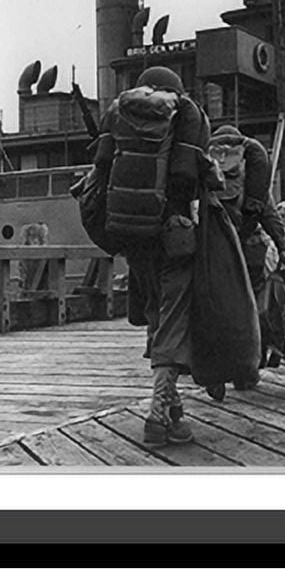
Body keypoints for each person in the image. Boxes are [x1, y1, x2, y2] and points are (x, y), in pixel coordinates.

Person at [93, 66, 213, 444]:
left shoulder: (119, 112)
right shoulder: (187, 114)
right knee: (174, 322)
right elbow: (188, 178)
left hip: (132, 235)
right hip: (172, 235)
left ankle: (174, 415)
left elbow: (101, 165)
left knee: (155, 316)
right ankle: (157, 415)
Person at [208, 124, 285, 375]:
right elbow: (269, 215)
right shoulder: (252, 179)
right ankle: (259, 356)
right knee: (257, 305)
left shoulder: (206, 177)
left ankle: (221, 365)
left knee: (220, 310)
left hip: (217, 254)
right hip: (251, 250)